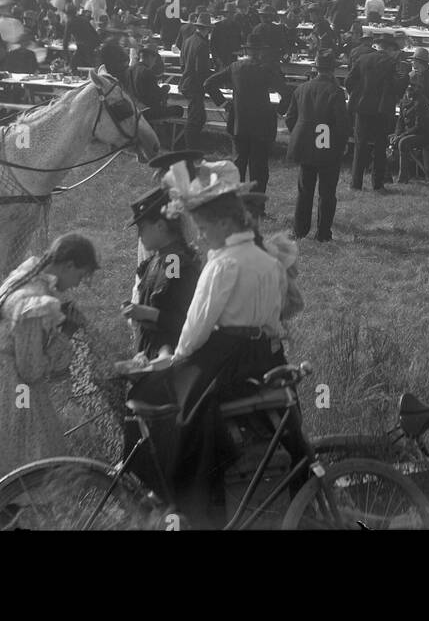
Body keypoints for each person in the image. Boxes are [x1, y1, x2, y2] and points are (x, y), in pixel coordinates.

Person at [150, 163, 302, 526]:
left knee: (179, 413)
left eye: (203, 228)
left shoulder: (223, 264)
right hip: (262, 356)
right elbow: (273, 318)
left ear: (223, 224)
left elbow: (198, 323)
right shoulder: (268, 261)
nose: (200, 237)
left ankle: (186, 501)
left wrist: (178, 356)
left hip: (225, 359)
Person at [0, 233, 100, 513]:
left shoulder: (27, 274)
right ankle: (7, 512)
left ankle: (4, 512)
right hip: (10, 386)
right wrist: (63, 337)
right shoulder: (34, 304)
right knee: (20, 460)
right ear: (69, 265)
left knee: (2, 459)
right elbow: (31, 369)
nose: (77, 285)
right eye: (81, 276)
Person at [122, 188, 203, 358]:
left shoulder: (173, 261)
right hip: (150, 353)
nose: (139, 236)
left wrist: (146, 313)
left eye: (142, 228)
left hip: (171, 356)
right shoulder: (154, 261)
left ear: (160, 226)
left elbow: (183, 317)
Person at [206, 32, 285, 194]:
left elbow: (209, 83)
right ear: (261, 51)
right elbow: (287, 92)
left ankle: (237, 200)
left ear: (246, 51)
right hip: (261, 125)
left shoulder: (236, 67)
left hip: (239, 123)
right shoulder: (266, 69)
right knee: (259, 168)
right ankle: (256, 205)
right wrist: (278, 111)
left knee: (238, 165)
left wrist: (224, 104)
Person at [285, 50, 350, 241]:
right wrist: (341, 144)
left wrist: (302, 133)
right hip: (326, 143)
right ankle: (323, 233)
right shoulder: (335, 91)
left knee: (304, 190)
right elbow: (342, 124)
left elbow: (290, 118)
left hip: (306, 143)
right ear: (332, 70)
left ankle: (299, 230)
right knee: (327, 192)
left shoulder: (301, 88)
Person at [345, 32, 407, 192]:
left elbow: (349, 81)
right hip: (382, 109)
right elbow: (397, 87)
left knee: (360, 145)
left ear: (376, 46)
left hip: (363, 106)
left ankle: (356, 182)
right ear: (390, 48)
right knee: (380, 147)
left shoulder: (363, 59)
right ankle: (377, 183)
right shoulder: (392, 63)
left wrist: (357, 94)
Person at [179, 13, 223, 150]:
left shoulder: (188, 40)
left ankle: (192, 145)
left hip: (186, 81)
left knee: (199, 116)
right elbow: (201, 70)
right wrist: (216, 76)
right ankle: (190, 148)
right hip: (195, 84)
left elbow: (182, 63)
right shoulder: (203, 44)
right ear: (208, 29)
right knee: (195, 118)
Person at [393, 70, 429, 182]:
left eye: (413, 85)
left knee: (403, 142)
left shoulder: (421, 102)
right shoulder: (404, 100)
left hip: (424, 134)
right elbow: (400, 120)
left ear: (418, 87)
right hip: (409, 133)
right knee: (385, 138)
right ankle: (385, 175)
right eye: (408, 84)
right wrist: (397, 134)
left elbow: (419, 126)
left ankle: (403, 177)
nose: (409, 87)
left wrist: (401, 135)